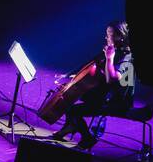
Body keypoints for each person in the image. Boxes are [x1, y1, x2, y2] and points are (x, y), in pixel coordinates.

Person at [48, 21, 135, 152]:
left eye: (109, 34)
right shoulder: (114, 50)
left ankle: (87, 138)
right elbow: (92, 65)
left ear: (120, 36)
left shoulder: (127, 57)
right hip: (105, 95)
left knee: (73, 110)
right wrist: (70, 76)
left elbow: (111, 79)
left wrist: (109, 58)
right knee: (71, 97)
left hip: (118, 102)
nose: (106, 37)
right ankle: (68, 127)